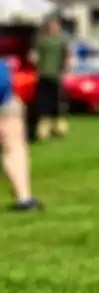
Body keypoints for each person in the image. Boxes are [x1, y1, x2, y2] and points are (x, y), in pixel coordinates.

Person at [0, 59, 41, 211]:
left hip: (4, 89)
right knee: (14, 145)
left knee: (14, 144)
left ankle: (24, 198)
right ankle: (24, 198)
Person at [31, 14, 71, 140]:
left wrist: (67, 68)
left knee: (58, 102)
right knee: (43, 102)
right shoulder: (40, 39)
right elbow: (34, 53)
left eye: (54, 25)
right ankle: (43, 129)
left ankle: (59, 126)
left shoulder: (62, 39)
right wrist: (34, 59)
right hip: (42, 74)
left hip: (57, 75)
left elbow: (68, 55)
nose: (51, 27)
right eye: (49, 25)